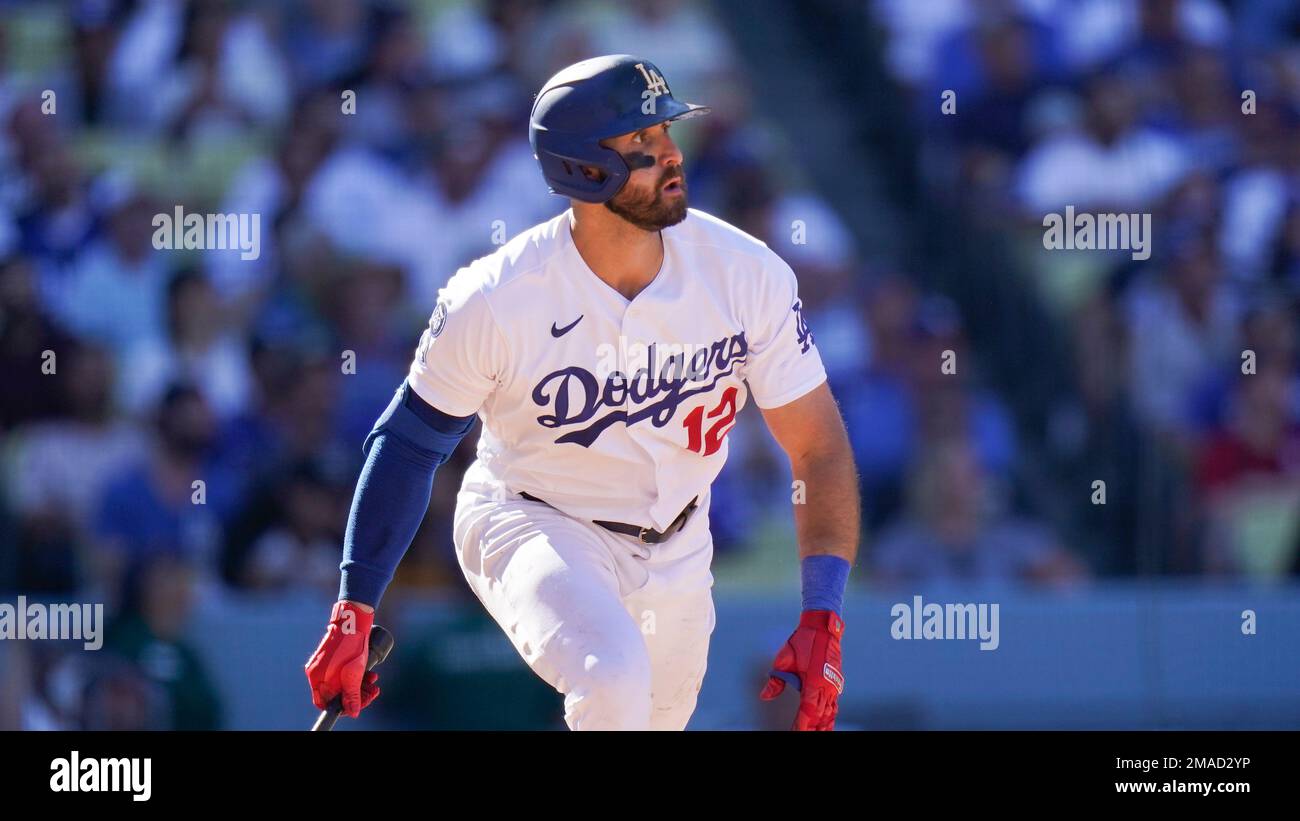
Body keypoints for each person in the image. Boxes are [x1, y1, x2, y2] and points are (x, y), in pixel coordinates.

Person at [305, 55, 860, 731]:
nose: (670, 156)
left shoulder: (748, 274)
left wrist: (824, 613)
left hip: (682, 544)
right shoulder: (497, 296)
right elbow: (408, 445)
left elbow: (818, 448)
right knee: (612, 677)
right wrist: (354, 604)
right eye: (643, 144)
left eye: (666, 135)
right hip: (535, 518)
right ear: (582, 169)